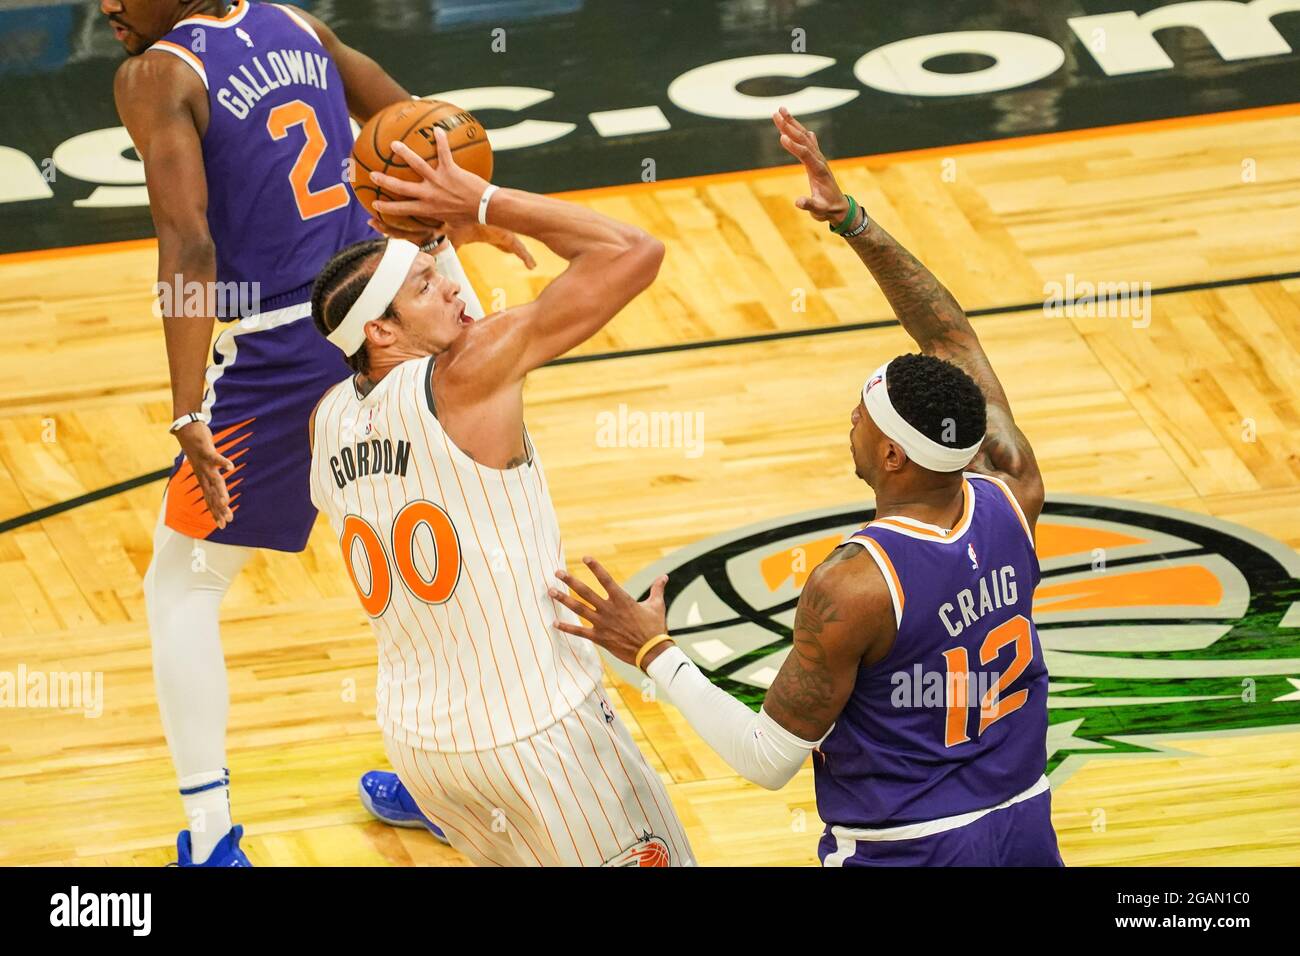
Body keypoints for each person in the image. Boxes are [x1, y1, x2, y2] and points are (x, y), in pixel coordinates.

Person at [550, 108, 1062, 867]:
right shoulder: (1012, 489)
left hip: (909, 850)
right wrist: (852, 220)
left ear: (891, 458)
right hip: (1022, 821)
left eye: (862, 414)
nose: (849, 418)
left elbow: (767, 758)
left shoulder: (853, 586)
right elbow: (952, 339)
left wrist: (653, 650)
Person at [106, 0, 530, 865]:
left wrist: (190, 409)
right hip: (397, 306)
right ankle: (448, 775)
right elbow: (418, 126)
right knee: (430, 542)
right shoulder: (294, 21)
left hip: (282, 349)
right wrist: (472, 217)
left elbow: (188, 250)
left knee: (181, 585)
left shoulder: (156, 74)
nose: (109, 5)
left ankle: (215, 838)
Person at [305, 129, 696, 866]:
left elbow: (454, 370)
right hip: (540, 731)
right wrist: (483, 200)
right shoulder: (467, 375)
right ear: (383, 331)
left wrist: (441, 249)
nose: (451, 285)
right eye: (425, 283)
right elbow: (633, 252)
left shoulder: (328, 419)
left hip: (427, 753)